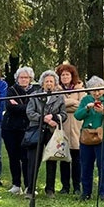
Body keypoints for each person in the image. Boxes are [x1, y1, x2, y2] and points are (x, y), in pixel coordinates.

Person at [73, 76, 104, 200]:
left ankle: (103, 192)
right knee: (86, 165)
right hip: (87, 137)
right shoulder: (86, 99)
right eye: (93, 90)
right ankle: (86, 192)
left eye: (99, 90)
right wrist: (87, 108)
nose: (96, 93)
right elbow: (77, 116)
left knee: (103, 165)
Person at [24, 70, 65, 198]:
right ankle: (30, 190)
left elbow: (63, 115)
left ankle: (50, 189)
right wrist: (44, 118)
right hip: (36, 130)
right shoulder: (35, 95)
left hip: (52, 132)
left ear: (55, 84)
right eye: (46, 81)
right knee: (33, 160)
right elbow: (30, 113)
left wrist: (54, 118)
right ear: (42, 83)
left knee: (51, 160)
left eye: (51, 81)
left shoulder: (59, 97)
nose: (48, 84)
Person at [2, 67, 39, 195]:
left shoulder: (35, 91)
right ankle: (16, 184)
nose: (23, 80)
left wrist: (20, 106)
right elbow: (10, 107)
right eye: (21, 77)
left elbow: (34, 109)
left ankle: (29, 186)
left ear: (30, 79)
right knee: (13, 157)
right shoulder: (11, 90)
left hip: (27, 129)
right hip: (10, 128)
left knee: (27, 158)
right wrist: (26, 108)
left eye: (26, 77)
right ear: (17, 78)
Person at [53, 64, 85, 195]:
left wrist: (66, 103)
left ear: (72, 76)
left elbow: (82, 106)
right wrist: (73, 102)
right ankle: (65, 186)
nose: (65, 77)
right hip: (62, 127)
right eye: (62, 75)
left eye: (67, 74)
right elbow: (56, 106)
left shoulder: (80, 89)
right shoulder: (56, 89)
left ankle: (77, 186)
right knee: (64, 158)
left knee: (77, 159)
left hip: (77, 127)